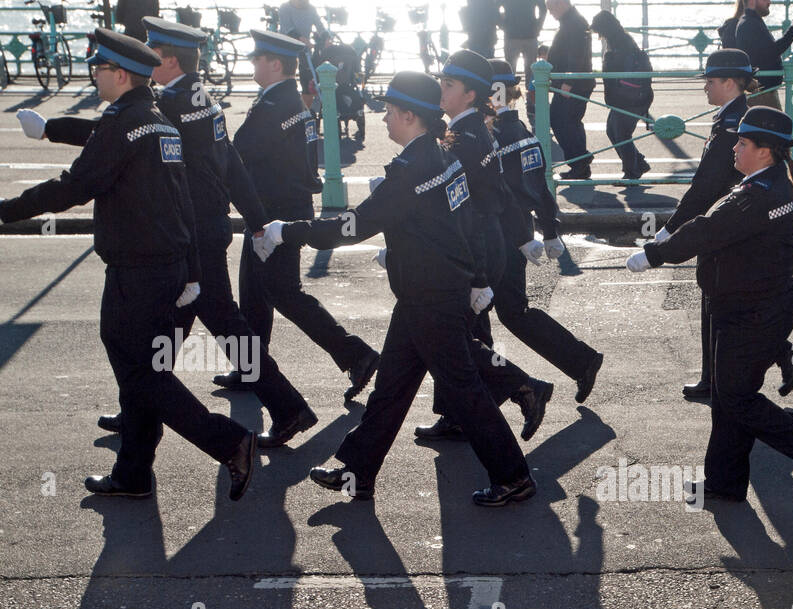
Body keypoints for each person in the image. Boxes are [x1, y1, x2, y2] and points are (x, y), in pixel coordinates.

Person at [27, 17, 320, 451]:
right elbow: (232, 163)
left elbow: (111, 135)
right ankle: (139, 410)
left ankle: (287, 406)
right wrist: (255, 217)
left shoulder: (174, 104)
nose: (146, 55)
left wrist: (52, 129)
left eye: (151, 50)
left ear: (167, 60)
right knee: (168, 334)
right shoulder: (202, 98)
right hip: (202, 228)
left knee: (218, 327)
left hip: (190, 235)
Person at [0, 28, 255, 501]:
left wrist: (6, 210)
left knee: (140, 372)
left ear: (119, 75)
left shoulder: (121, 124)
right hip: (168, 266)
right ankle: (133, 472)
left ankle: (228, 440)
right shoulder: (157, 121)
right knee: (144, 367)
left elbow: (74, 187)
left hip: (137, 271)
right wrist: (193, 272)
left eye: (98, 69)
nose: (93, 76)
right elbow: (185, 204)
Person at [259, 73, 536, 507]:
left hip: (431, 297)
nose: (384, 119)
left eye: (389, 112)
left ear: (410, 116)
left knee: (464, 392)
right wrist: (476, 278)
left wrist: (285, 231)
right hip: (427, 293)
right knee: (391, 388)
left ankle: (513, 475)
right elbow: (467, 223)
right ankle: (357, 471)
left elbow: (353, 226)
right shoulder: (443, 157)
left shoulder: (412, 169)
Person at [626, 107, 793, 501]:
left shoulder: (759, 194)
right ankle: (724, 482)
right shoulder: (766, 183)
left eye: (743, 144)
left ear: (766, 151)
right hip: (746, 305)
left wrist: (654, 254)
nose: (735, 150)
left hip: (756, 311)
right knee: (727, 399)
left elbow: (708, 230)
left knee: (736, 398)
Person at [233, 28, 381, 404]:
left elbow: (236, 154)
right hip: (283, 206)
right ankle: (250, 368)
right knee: (254, 293)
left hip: (275, 213)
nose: (252, 62)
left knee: (283, 293)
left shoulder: (272, 106)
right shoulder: (292, 103)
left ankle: (355, 354)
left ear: (276, 64)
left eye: (257, 58)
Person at [652, 49, 793, 401]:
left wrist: (671, 229)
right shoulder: (734, 117)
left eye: (710, 81)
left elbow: (705, 186)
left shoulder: (733, 123)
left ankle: (716, 379)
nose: (705, 88)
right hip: (728, 224)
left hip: (726, 226)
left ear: (728, 82)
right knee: (722, 302)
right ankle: (781, 355)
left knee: (719, 302)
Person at [414, 49, 554, 442]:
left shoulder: (465, 139)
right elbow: (500, 195)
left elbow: (466, 208)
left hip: (473, 246)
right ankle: (464, 412)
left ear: (470, 94)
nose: (441, 90)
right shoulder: (476, 130)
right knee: (469, 335)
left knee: (453, 338)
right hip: (482, 244)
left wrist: (477, 272)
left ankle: (523, 387)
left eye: (449, 85)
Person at [483, 59, 606, 399]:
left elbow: (508, 192)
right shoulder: (520, 131)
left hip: (499, 235)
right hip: (514, 232)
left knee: (474, 318)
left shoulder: (494, 135)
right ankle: (578, 361)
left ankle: (497, 393)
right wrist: (549, 229)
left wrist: (528, 236)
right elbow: (539, 185)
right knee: (511, 312)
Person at [591, 9, 653, 182]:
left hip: (629, 97)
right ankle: (638, 163)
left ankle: (632, 171)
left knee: (620, 133)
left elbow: (614, 72)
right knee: (613, 131)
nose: (598, 36)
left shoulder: (619, 45)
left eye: (599, 32)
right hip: (633, 95)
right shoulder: (622, 40)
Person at [544, 0, 595, 180]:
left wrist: (568, 81)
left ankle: (580, 161)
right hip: (575, 82)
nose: (550, 13)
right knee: (571, 122)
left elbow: (576, 55)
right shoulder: (573, 21)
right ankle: (580, 161)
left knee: (561, 121)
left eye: (552, 8)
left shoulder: (573, 23)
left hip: (573, 84)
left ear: (562, 4)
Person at [736, 0, 793, 109]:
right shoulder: (749, 24)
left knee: (780, 124)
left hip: (764, 90)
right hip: (762, 92)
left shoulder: (751, 21)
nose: (769, 2)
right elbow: (771, 52)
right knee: (778, 124)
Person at [501, 0, 547, 77]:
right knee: (510, 70)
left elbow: (543, 8)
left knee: (527, 71)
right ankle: (513, 87)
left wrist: (538, 27)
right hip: (518, 36)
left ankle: (526, 88)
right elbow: (543, 8)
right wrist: (503, 25)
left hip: (522, 35)